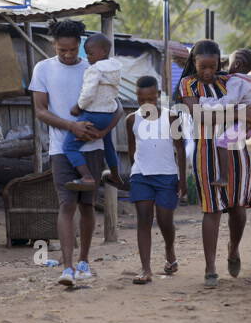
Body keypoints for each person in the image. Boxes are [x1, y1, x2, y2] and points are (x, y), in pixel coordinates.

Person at [29, 19, 122, 287]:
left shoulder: (95, 68)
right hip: (61, 148)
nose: (68, 55)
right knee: (66, 205)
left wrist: (103, 134)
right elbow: (40, 110)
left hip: (92, 147)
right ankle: (67, 268)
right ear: (54, 46)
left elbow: (116, 108)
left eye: (72, 50)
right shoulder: (43, 69)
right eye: (62, 51)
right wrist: (72, 126)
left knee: (87, 205)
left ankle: (84, 261)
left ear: (80, 44)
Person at [177, 40, 251, 288]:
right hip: (206, 151)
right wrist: (237, 113)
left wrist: (242, 114)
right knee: (211, 209)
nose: (208, 72)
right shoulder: (187, 84)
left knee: (238, 207)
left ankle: (233, 250)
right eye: (203, 67)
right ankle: (210, 267)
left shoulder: (230, 80)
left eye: (213, 67)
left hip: (235, 148)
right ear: (194, 63)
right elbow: (199, 115)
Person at [125, 75, 187, 284]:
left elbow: (180, 149)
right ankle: (145, 269)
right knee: (143, 219)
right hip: (141, 175)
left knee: (165, 220)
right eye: (142, 100)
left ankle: (170, 250)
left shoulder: (171, 118)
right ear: (137, 98)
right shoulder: (132, 120)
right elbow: (132, 148)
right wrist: (133, 171)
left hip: (167, 175)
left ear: (158, 96)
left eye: (151, 99)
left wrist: (182, 180)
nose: (146, 104)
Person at [63, 33, 124, 191]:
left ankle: (86, 177)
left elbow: (88, 93)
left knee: (69, 146)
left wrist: (78, 107)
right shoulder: (115, 68)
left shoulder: (94, 70)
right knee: (108, 143)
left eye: (90, 53)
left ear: (103, 52)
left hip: (92, 114)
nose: (88, 57)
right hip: (108, 115)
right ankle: (115, 174)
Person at [199, 49, 251, 188]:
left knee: (222, 142)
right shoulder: (243, 80)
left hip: (244, 123)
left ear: (236, 64)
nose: (226, 67)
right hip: (245, 122)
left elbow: (229, 101)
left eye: (229, 63)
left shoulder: (237, 81)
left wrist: (206, 102)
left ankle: (224, 177)